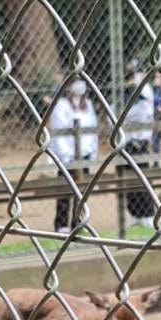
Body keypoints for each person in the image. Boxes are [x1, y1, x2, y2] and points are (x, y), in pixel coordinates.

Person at [48, 76, 98, 234]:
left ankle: (78, 222)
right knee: (65, 189)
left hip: (84, 154)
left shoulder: (87, 104)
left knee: (81, 191)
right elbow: (59, 133)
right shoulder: (61, 105)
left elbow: (93, 128)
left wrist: (92, 151)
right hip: (67, 156)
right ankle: (61, 224)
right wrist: (66, 155)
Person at [121, 62, 156, 223]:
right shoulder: (123, 90)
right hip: (126, 140)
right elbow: (113, 113)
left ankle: (148, 213)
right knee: (128, 178)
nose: (134, 76)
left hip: (141, 140)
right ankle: (134, 214)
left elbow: (143, 112)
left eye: (137, 73)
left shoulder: (145, 89)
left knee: (142, 177)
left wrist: (125, 115)